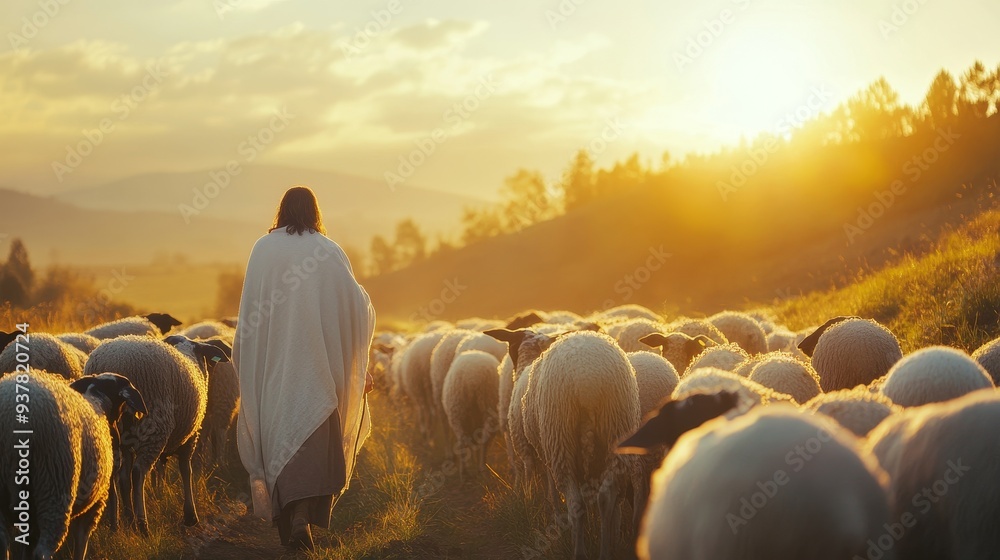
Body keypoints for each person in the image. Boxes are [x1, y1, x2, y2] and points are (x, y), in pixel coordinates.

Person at [234, 186, 376, 550]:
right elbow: (357, 308)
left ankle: (291, 516)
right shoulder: (328, 252)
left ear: (281, 210)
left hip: (275, 373)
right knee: (314, 446)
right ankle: (302, 518)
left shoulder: (263, 250)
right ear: (315, 212)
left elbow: (250, 312)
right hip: (319, 371)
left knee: (280, 439)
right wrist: (357, 364)